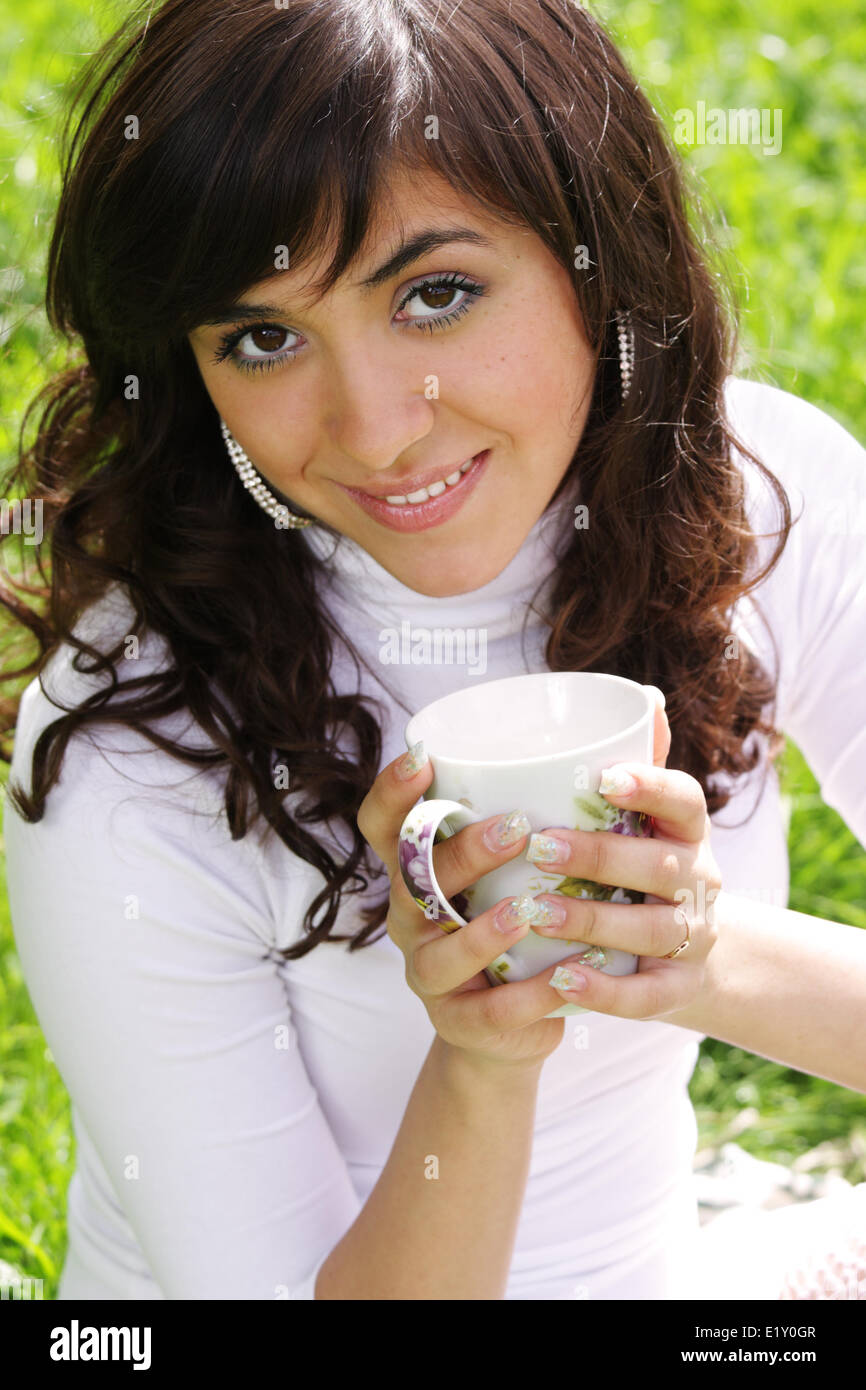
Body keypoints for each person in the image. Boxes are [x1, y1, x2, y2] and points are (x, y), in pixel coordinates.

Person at [2, 0, 864, 1301]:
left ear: (598, 256)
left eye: (436, 294)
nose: (372, 431)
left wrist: (699, 950)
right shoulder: (130, 732)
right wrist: (479, 1060)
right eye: (263, 338)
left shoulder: (760, 494)